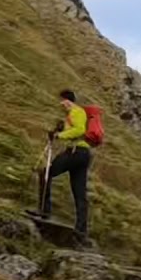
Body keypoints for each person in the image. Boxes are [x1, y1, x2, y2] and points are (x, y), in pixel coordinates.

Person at [39, 89, 94, 240]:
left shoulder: (77, 111)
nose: (61, 104)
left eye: (62, 101)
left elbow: (79, 130)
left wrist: (59, 135)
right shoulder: (73, 115)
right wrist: (59, 129)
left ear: (67, 100)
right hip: (82, 154)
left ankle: (44, 210)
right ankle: (81, 229)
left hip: (76, 152)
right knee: (79, 192)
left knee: (46, 173)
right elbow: (72, 129)